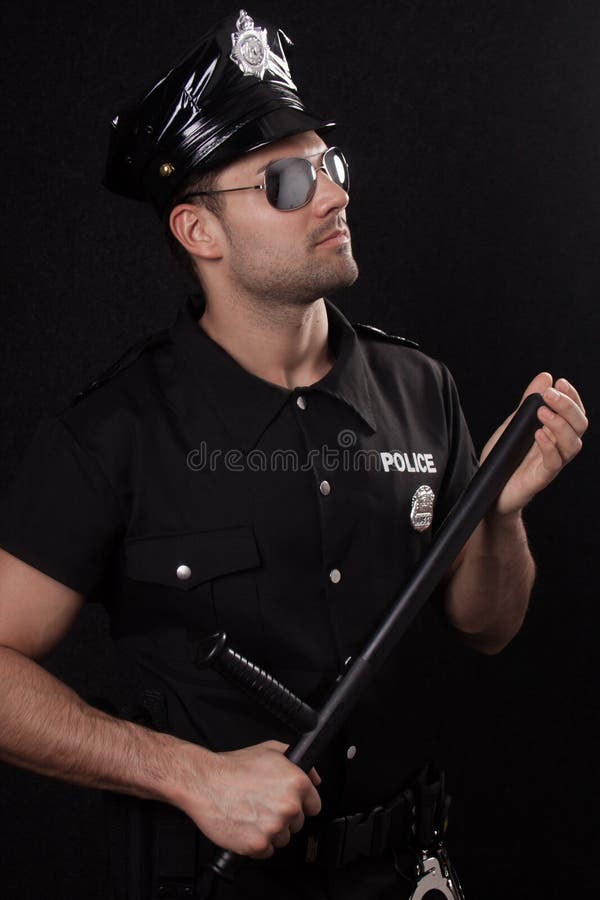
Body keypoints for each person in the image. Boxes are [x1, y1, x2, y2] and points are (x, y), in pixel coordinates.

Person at [0, 8, 588, 900]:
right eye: (285, 181)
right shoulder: (112, 433)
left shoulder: (420, 388)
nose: (334, 195)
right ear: (199, 233)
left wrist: (498, 514)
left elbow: (488, 625)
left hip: (404, 877)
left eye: (329, 165)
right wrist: (188, 775)